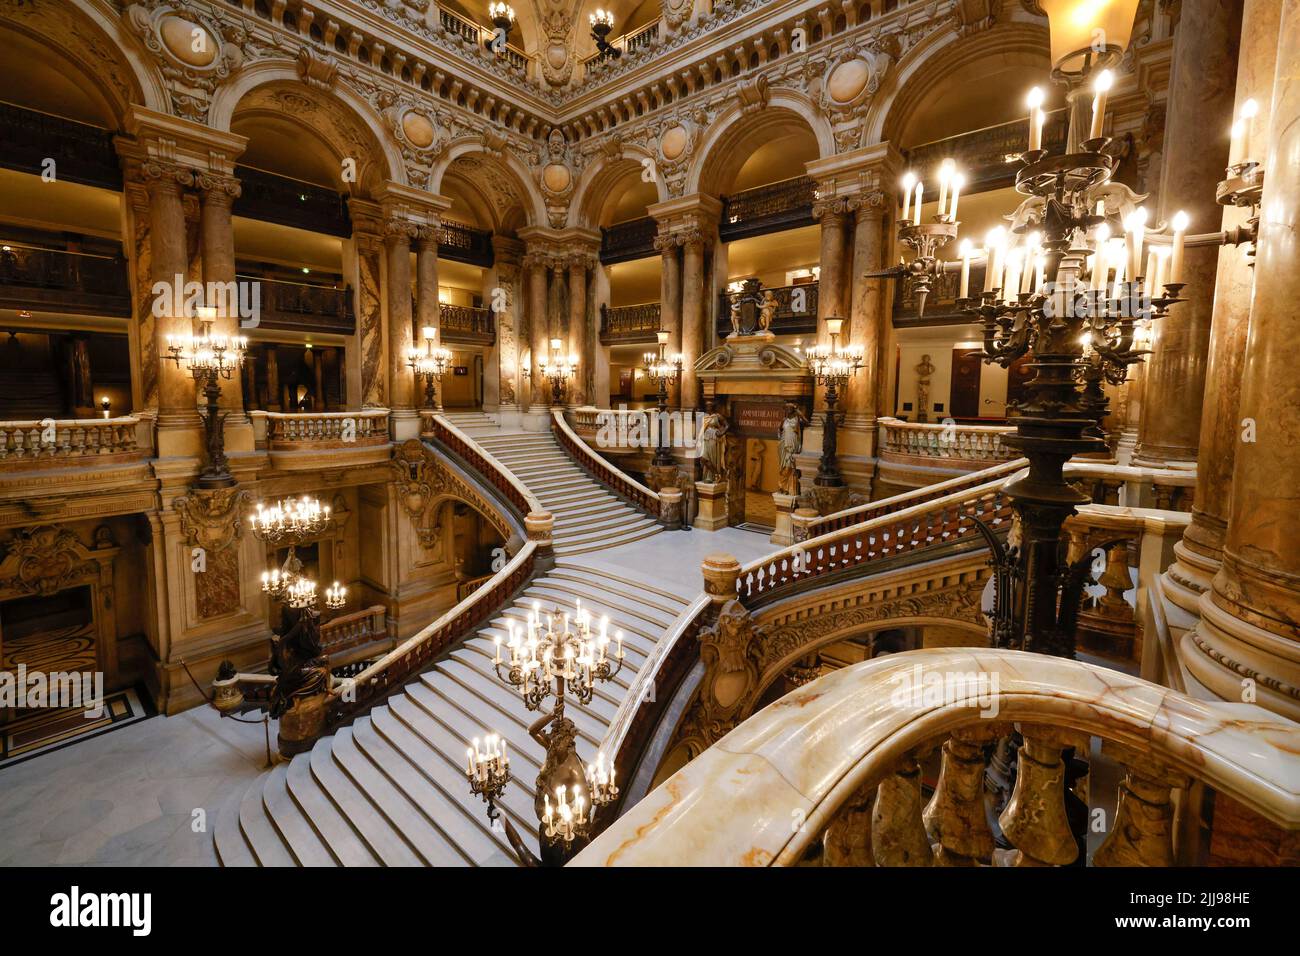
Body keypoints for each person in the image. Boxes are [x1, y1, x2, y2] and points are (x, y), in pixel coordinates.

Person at [777, 402, 809, 496]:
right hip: (784, 447)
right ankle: (783, 487)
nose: (788, 410)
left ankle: (785, 487)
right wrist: (780, 439)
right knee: (784, 468)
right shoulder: (784, 420)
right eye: (787, 408)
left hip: (793, 447)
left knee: (789, 468)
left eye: (790, 408)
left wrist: (797, 410)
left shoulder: (797, 419)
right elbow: (779, 430)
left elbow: (807, 422)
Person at [697, 400, 729, 482]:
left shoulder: (717, 416)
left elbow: (727, 425)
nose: (708, 407)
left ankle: (712, 477)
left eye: (710, 406)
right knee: (703, 458)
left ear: (713, 407)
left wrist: (721, 433)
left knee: (711, 458)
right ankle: (716, 474)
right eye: (707, 406)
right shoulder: (705, 416)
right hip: (705, 438)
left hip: (713, 438)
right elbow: (701, 428)